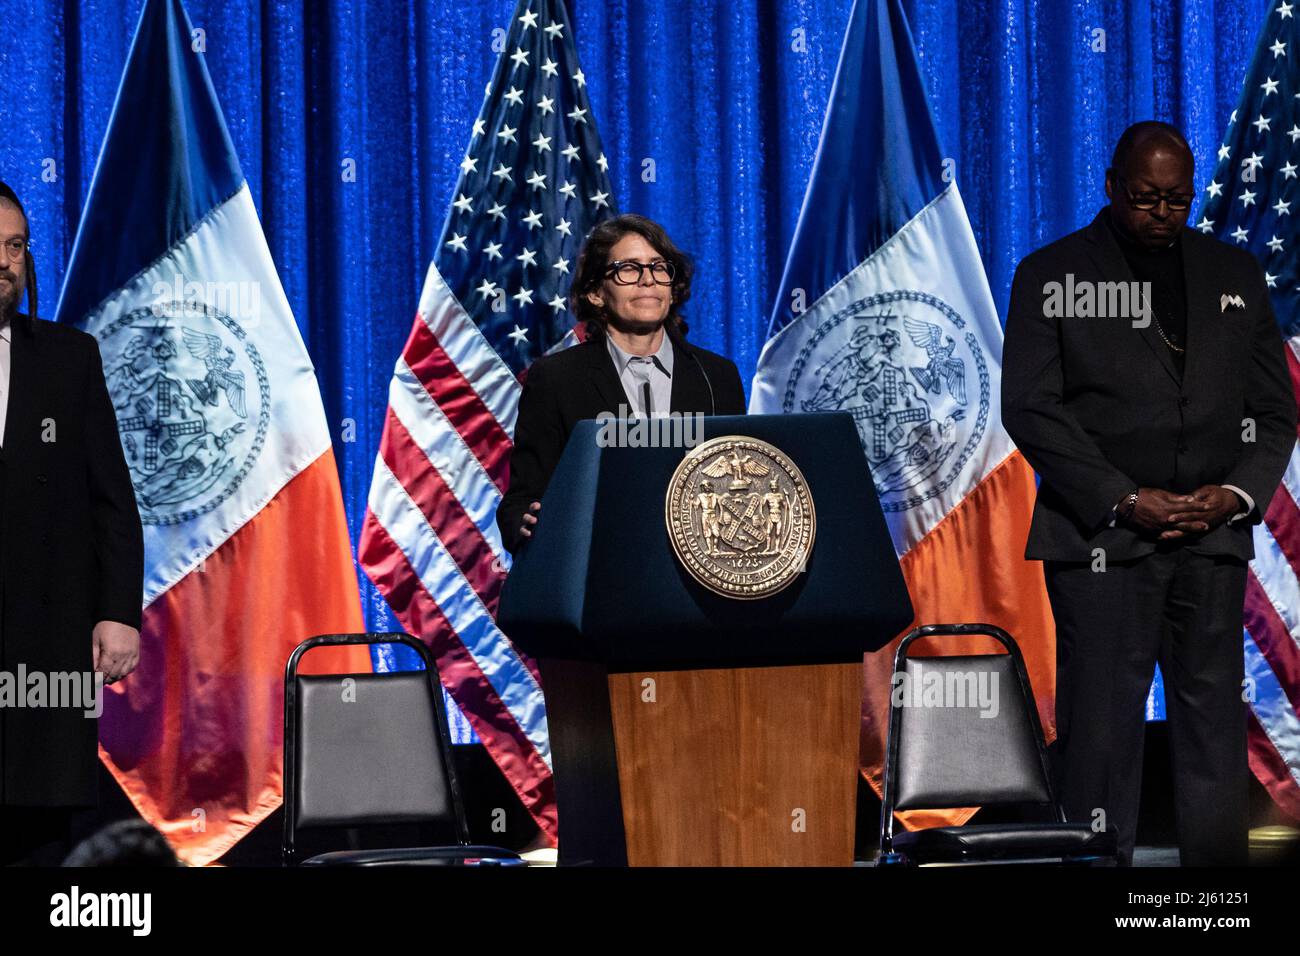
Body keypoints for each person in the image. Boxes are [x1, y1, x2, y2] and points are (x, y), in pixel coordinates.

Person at [1001, 122, 1297, 866]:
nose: (1162, 212)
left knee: (1212, 734)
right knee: (1100, 732)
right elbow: (1031, 407)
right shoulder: (1054, 273)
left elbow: (1274, 409)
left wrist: (1234, 494)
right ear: (1111, 186)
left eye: (1177, 199)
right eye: (1145, 198)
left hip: (1212, 540)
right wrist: (1125, 497)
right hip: (1102, 541)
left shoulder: (1234, 273)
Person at [0, 180, 144, 865]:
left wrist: (118, 612)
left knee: (35, 827)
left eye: (16, 245)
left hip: (41, 638)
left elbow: (110, 497)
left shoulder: (67, 358)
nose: (4, 260)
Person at [497, 214, 746, 554]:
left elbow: (739, 482)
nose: (648, 281)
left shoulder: (717, 376)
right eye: (629, 269)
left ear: (673, 290)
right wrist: (526, 524)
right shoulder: (556, 379)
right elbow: (521, 500)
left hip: (698, 578)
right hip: (600, 573)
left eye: (659, 268)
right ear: (597, 293)